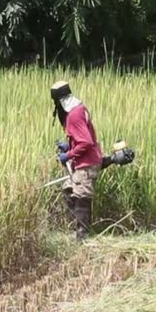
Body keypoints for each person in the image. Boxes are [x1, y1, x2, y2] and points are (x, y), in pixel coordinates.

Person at [52, 80, 102, 240]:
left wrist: (68, 155)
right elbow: (82, 139)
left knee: (81, 196)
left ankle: (83, 237)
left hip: (86, 163)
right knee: (69, 190)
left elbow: (86, 142)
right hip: (83, 161)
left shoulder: (74, 115)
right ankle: (80, 230)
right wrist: (69, 146)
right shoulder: (79, 109)